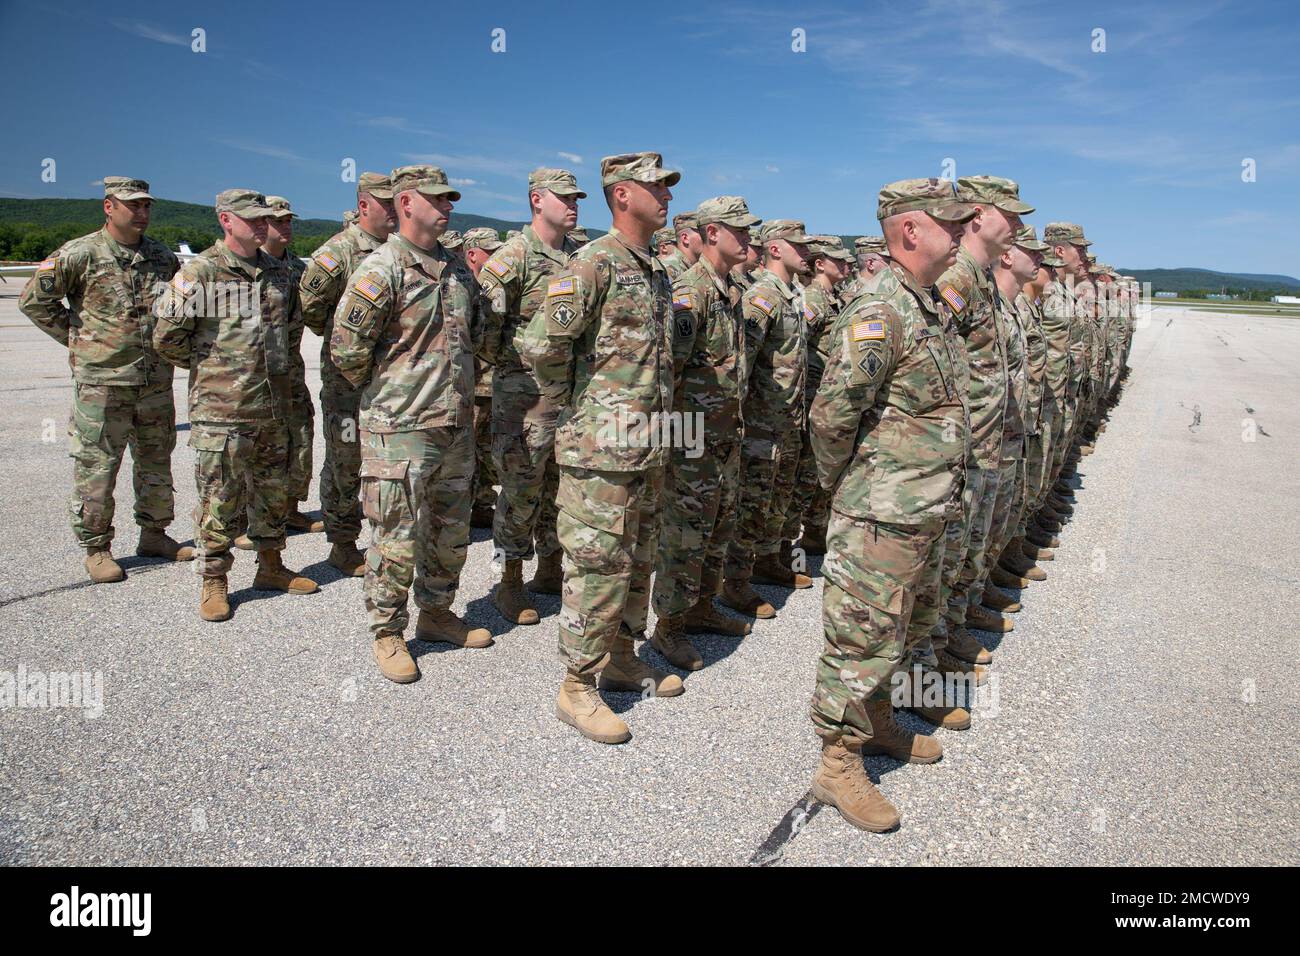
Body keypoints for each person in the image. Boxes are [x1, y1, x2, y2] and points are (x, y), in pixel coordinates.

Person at [808, 178, 972, 832]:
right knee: (860, 637)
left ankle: (878, 722)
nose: (961, 233)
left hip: (921, 508)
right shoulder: (879, 309)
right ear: (909, 230)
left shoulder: (925, 304)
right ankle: (837, 764)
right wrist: (851, 491)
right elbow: (830, 418)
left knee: (897, 628)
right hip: (880, 512)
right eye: (949, 222)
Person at [523, 151, 683, 744]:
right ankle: (576, 686)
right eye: (655, 187)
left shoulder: (655, 269)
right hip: (600, 452)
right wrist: (583, 411)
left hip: (647, 447)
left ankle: (619, 656)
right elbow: (543, 346)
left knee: (636, 561)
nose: (666, 197)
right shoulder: (592, 264)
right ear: (621, 195)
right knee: (596, 567)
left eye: (667, 187)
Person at [330, 165, 491, 683]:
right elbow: (346, 351)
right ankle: (387, 631)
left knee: (450, 530)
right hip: (400, 427)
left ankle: (438, 613)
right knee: (395, 537)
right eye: (436, 199)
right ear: (405, 203)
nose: (447, 207)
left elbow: (480, 334)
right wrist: (392, 394)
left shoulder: (458, 269)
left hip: (454, 425)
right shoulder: (383, 268)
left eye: (449, 200)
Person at [153, 189, 320, 622]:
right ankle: (214, 580)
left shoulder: (278, 272)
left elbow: (292, 328)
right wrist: (215, 369)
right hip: (222, 411)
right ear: (226, 220)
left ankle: (271, 566)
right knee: (219, 499)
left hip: (273, 408)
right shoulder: (202, 272)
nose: (262, 225)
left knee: (271, 493)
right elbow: (166, 336)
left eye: (265, 218)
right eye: (252, 219)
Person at [19, 176, 193, 582]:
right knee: (97, 466)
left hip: (153, 381)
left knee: (156, 462)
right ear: (108, 207)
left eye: (147, 206)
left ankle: (154, 534)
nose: (142, 213)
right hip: (102, 382)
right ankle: (97, 547)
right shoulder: (80, 253)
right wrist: (79, 340)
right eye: (133, 205)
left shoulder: (161, 257)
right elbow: (34, 300)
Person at [651, 195, 760, 668]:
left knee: (718, 528)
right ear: (712, 233)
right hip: (690, 437)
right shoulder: (689, 292)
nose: (751, 238)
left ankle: (701, 608)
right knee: (684, 535)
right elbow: (665, 371)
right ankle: (668, 627)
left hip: (723, 435)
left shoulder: (731, 289)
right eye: (741, 229)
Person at [476, 169, 585, 626]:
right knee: (520, 493)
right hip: (524, 401)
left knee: (561, 491)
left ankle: (550, 569)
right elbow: (483, 333)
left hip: (571, 401)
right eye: (564, 197)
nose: (574, 204)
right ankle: (509, 581)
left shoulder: (581, 257)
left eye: (577, 197)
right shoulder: (512, 259)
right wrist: (520, 365)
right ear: (537, 200)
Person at [298, 171, 397, 577]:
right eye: (385, 203)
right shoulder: (337, 252)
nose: (393, 210)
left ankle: (386, 537)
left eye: (397, 202)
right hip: (347, 384)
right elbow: (311, 308)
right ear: (363, 205)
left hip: (390, 383)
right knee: (345, 457)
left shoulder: (400, 250)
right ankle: (341, 541)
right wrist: (345, 341)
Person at [720, 219, 814, 620]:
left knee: (778, 497)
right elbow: (744, 361)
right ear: (775, 249)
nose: (807, 252)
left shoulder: (791, 293)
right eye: (799, 245)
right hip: (762, 421)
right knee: (753, 503)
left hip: (787, 418)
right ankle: (736, 582)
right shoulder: (763, 296)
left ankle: (768, 559)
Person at [461, 227, 506, 530]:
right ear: (473, 254)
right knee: (465, 452)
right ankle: (461, 511)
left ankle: (481, 504)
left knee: (487, 451)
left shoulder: (496, 288)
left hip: (493, 384)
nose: (498, 256)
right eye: (491, 251)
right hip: (470, 385)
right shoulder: (462, 288)